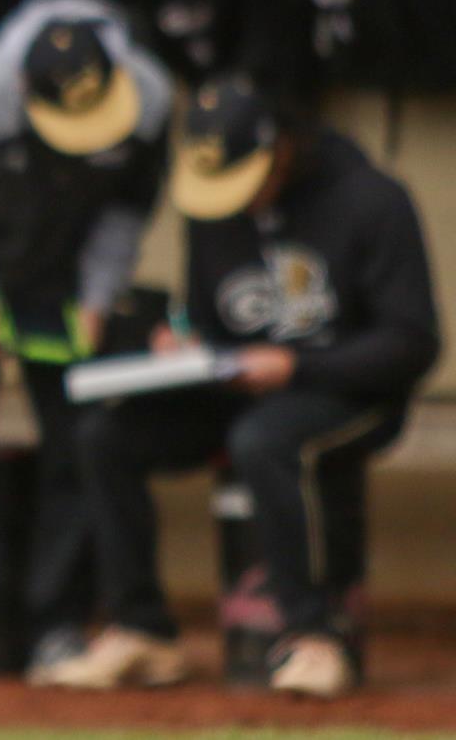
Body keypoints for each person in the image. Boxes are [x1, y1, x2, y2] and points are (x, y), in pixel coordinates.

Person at [50, 75, 441, 699]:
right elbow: (211, 319)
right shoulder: (212, 214)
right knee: (105, 436)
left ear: (281, 151)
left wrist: (297, 368)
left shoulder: (373, 200)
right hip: (241, 385)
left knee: (266, 439)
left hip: (351, 390)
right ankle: (141, 629)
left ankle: (315, 638)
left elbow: (412, 342)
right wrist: (182, 345)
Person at [0, 0, 172, 684]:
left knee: (77, 440)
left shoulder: (151, 96)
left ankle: (57, 624)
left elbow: (127, 209)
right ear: (22, 88)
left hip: (69, 283)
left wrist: (99, 295)